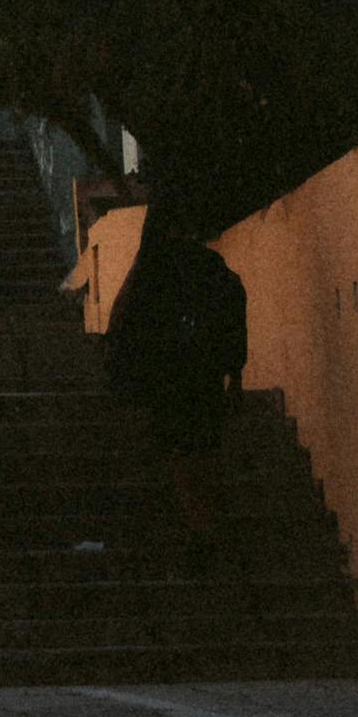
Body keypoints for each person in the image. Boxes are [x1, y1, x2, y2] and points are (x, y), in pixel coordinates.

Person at [101, 223, 249, 546]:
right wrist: (234, 373)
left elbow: (133, 328)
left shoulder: (159, 277)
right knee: (198, 452)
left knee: (182, 454)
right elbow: (233, 312)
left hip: (174, 381)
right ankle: (203, 521)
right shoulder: (214, 273)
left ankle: (198, 522)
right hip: (200, 379)